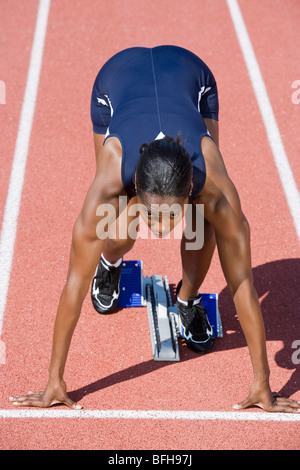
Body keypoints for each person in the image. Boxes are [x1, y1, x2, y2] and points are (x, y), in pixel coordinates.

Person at [10, 46, 299, 413]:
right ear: (136, 190)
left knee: (206, 219)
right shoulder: (112, 179)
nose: (162, 230)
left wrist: (263, 384)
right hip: (115, 80)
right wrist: (55, 380)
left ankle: (188, 299)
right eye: (154, 216)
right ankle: (111, 264)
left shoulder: (215, 190)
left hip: (192, 77)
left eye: (170, 216)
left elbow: (243, 282)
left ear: (189, 186)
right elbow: (73, 284)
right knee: (112, 224)